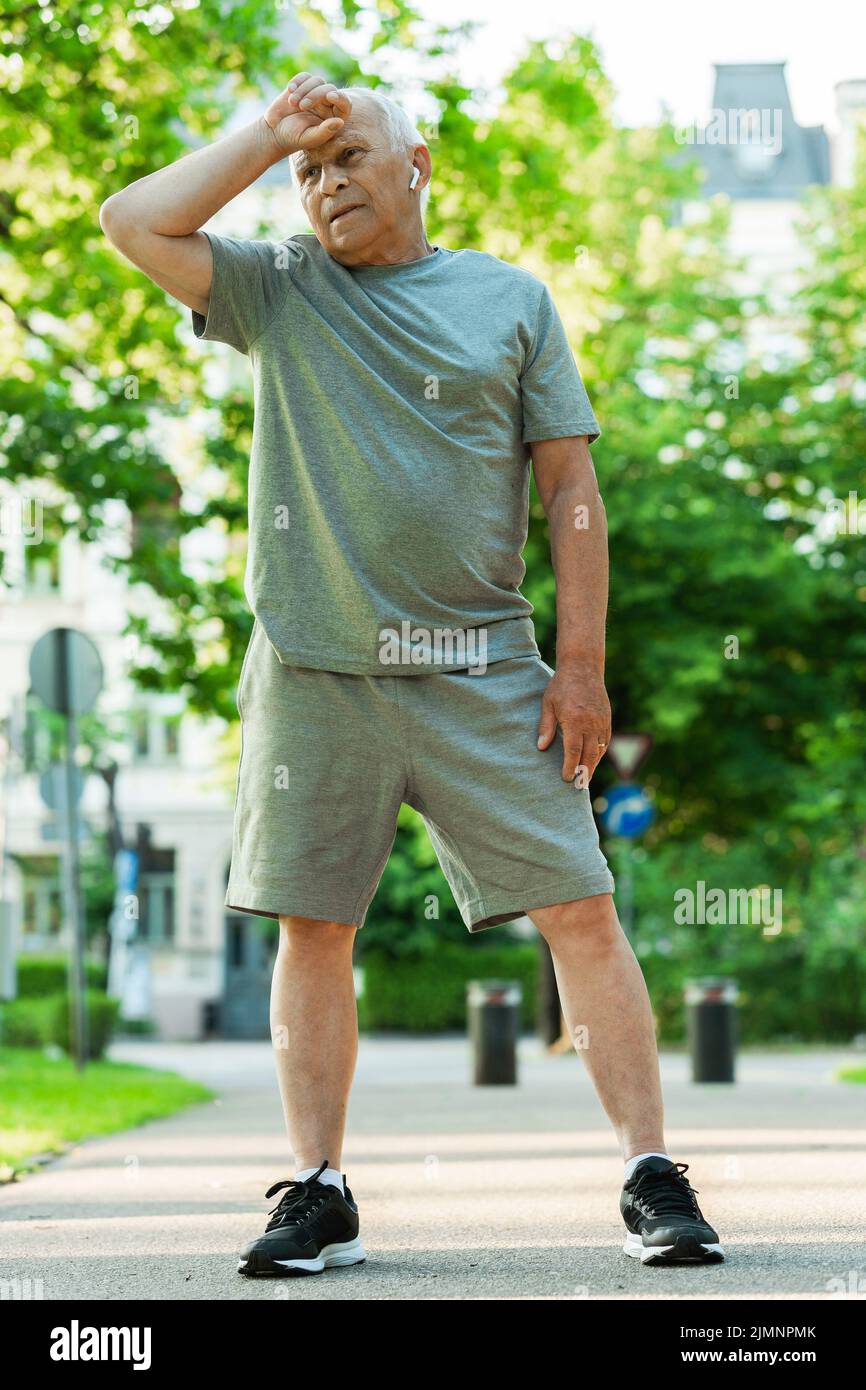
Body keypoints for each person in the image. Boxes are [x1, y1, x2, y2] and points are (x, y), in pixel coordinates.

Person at [99, 73, 724, 1275]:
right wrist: (265, 136)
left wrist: (580, 668)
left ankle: (650, 1172)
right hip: (313, 670)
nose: (325, 183)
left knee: (579, 906)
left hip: (483, 669)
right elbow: (132, 222)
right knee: (313, 924)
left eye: (348, 157)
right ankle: (318, 1188)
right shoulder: (278, 287)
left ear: (417, 164)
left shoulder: (508, 300)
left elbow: (569, 487)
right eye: (308, 170)